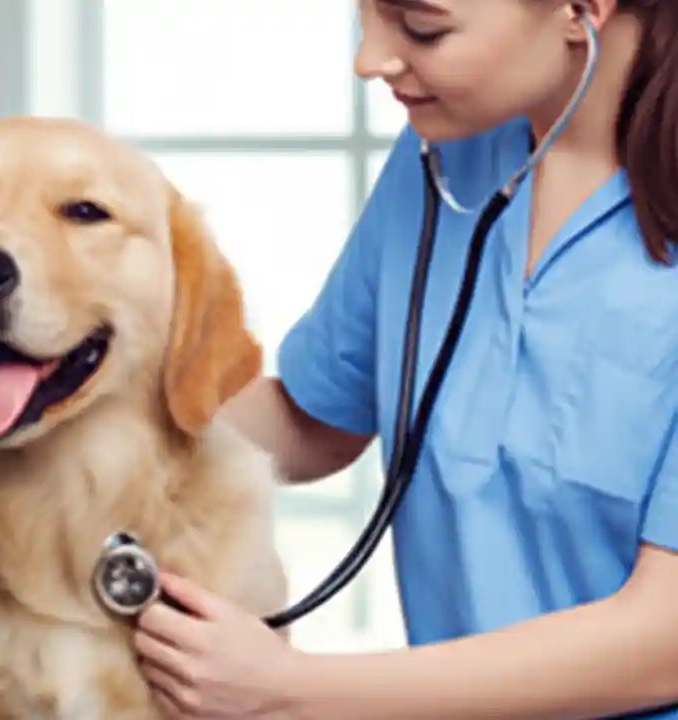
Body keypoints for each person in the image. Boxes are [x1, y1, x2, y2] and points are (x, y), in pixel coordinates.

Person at [132, 0, 678, 717]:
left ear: (583, 11)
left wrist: (292, 692)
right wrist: (109, 408)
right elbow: (314, 422)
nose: (370, 60)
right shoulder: (448, 154)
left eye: (422, 27)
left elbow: (662, 641)